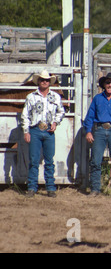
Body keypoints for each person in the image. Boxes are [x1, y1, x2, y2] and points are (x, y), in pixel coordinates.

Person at [21, 70, 65, 198]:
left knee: (49, 160)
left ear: (49, 82)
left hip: (49, 130)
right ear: (38, 81)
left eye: (47, 80)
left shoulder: (56, 96)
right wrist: (26, 131)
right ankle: (32, 187)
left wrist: (55, 122)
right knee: (34, 160)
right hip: (35, 130)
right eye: (42, 80)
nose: (44, 82)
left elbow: (61, 111)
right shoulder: (31, 97)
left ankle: (50, 187)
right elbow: (25, 115)